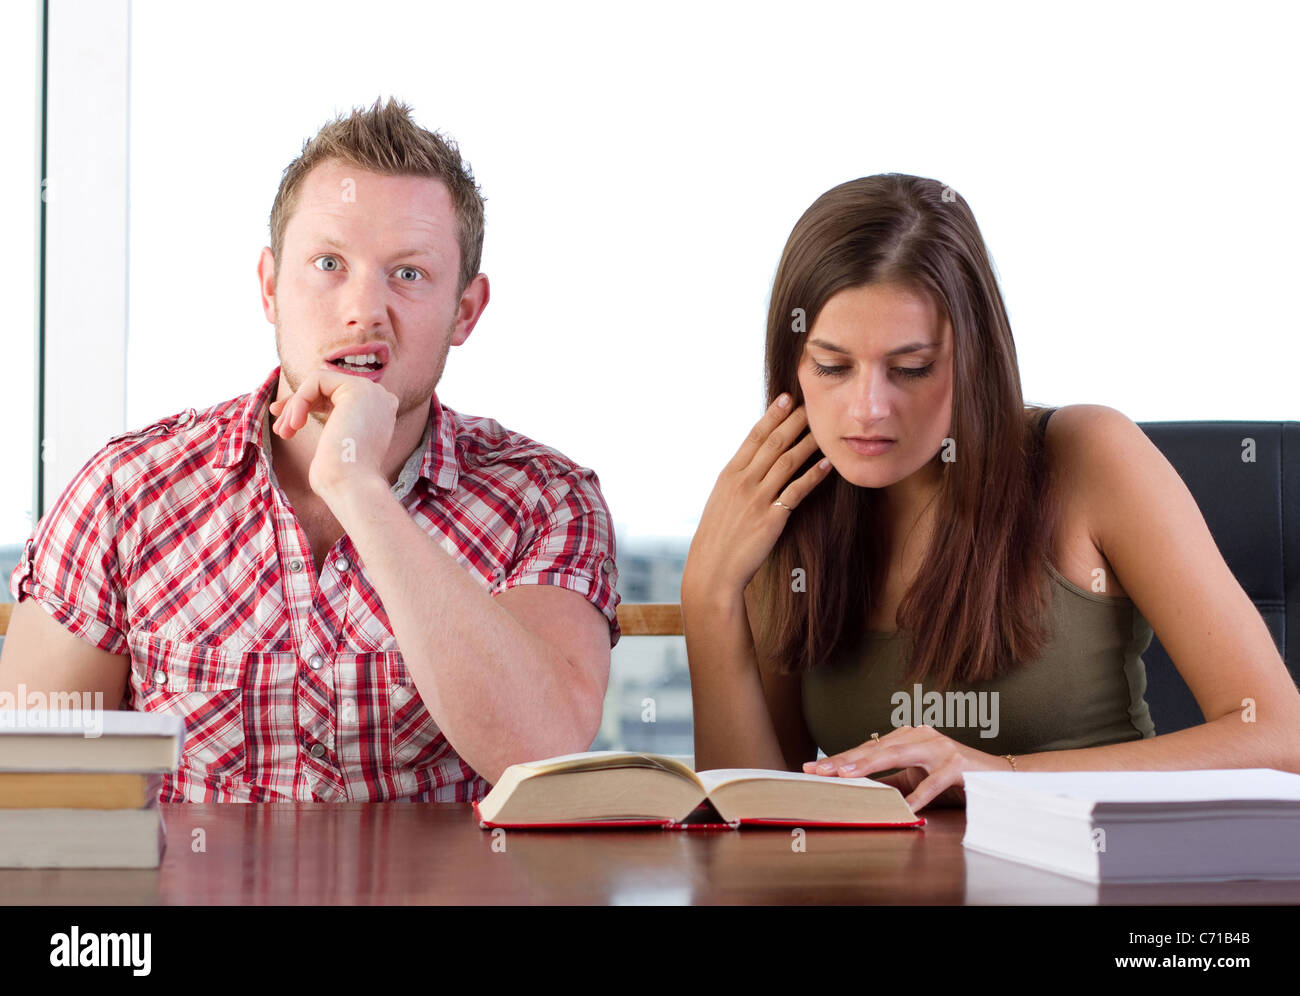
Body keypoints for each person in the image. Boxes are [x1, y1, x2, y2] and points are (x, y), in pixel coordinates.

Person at [1, 97, 621, 803]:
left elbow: (540, 749)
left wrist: (358, 490)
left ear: (466, 312)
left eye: (409, 274)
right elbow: (31, 798)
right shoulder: (127, 492)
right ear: (270, 287)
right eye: (329, 263)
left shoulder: (545, 498)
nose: (364, 310)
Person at [681, 173, 1300, 812]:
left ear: (976, 361)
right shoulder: (786, 507)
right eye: (833, 367)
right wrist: (708, 593)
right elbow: (759, 813)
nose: (866, 409)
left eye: (911, 368)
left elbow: (1283, 740)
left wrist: (996, 775)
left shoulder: (1090, 454)